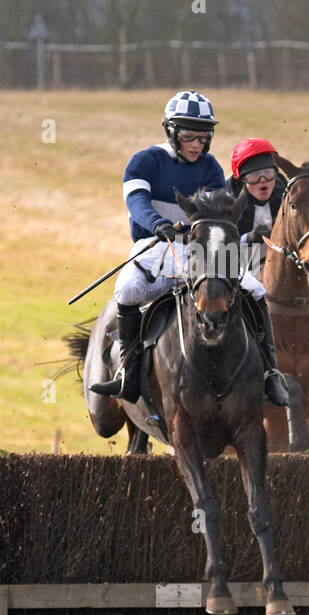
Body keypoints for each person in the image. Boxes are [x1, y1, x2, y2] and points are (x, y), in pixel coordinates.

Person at [90, 91, 289, 407]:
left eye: (204, 136)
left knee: (256, 290)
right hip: (154, 247)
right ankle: (127, 370)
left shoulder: (210, 167)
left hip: (199, 251)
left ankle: (270, 373)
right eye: (188, 136)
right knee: (127, 289)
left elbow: (217, 210)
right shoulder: (144, 161)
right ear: (170, 131)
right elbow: (136, 202)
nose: (197, 144)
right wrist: (158, 223)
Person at [226, 136, 286, 252]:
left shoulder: (285, 195)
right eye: (254, 176)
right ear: (241, 180)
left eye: (268, 173)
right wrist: (247, 239)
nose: (263, 180)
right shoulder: (228, 202)